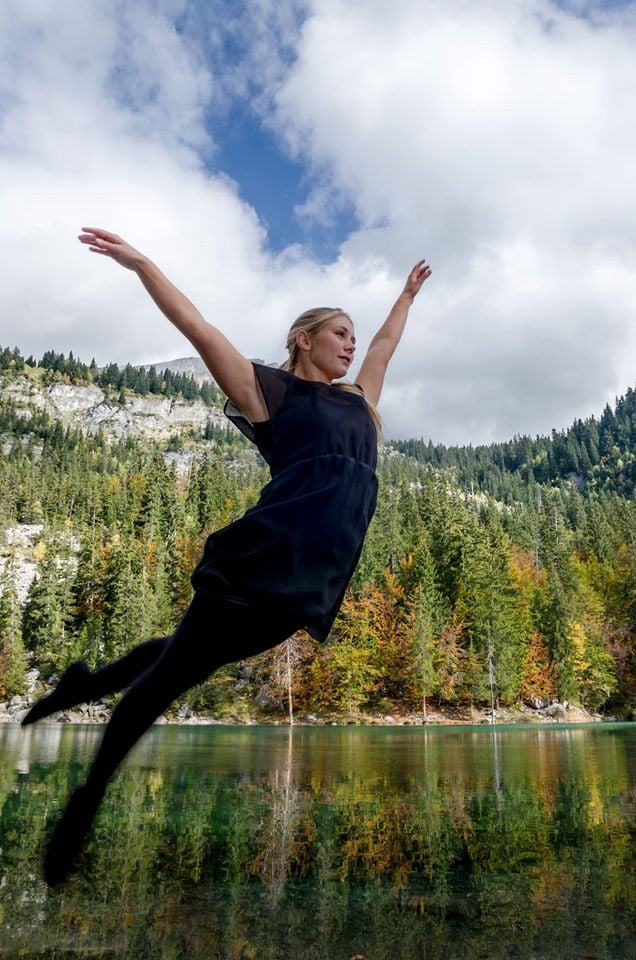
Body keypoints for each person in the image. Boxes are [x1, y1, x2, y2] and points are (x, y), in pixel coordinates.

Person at [23, 227, 432, 885]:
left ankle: (86, 684)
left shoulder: (360, 399)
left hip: (311, 580)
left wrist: (406, 297)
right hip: (265, 556)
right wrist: (141, 264)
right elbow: (197, 326)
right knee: (169, 678)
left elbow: (386, 344)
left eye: (353, 337)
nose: (352, 345)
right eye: (339, 333)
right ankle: (85, 801)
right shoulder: (268, 391)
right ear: (303, 340)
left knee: (187, 657)